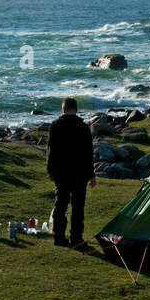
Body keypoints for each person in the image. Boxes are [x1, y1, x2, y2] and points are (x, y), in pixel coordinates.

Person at [45, 97, 96, 247]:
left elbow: (51, 151)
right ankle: (76, 238)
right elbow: (88, 153)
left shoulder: (56, 125)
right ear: (76, 109)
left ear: (63, 109)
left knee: (60, 205)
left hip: (62, 172)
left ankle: (59, 237)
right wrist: (91, 174)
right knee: (78, 207)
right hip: (80, 172)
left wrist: (50, 170)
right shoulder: (84, 127)